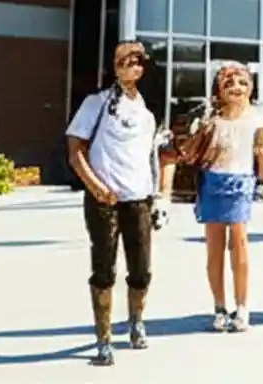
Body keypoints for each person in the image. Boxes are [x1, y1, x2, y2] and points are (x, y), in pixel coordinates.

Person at [65, 40, 164, 366]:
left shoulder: (148, 113)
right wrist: (95, 186)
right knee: (104, 269)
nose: (130, 65)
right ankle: (103, 338)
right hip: (104, 200)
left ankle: (136, 321)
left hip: (139, 199)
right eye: (123, 60)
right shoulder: (97, 103)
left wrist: (158, 196)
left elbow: (153, 158)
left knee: (141, 269)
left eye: (137, 60)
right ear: (113, 65)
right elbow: (76, 149)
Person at [192, 62, 263, 333]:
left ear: (250, 86)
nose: (236, 88)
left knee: (239, 242)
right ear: (219, 90)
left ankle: (242, 306)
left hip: (241, 180)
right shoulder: (211, 118)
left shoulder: (259, 116)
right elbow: (197, 151)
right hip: (213, 180)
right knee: (214, 246)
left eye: (242, 82)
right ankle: (219, 306)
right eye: (229, 84)